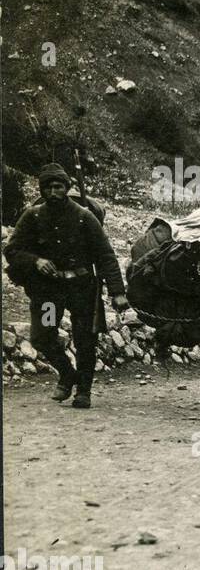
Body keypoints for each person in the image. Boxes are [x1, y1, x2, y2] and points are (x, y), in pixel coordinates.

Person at [3, 163, 128, 408]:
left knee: (84, 339)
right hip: (49, 292)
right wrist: (35, 261)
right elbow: (12, 249)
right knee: (43, 336)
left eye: (58, 186)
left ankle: (84, 391)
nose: (52, 192)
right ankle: (67, 374)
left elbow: (106, 255)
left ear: (66, 187)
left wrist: (118, 292)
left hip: (81, 289)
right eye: (47, 187)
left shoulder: (84, 216)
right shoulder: (33, 216)